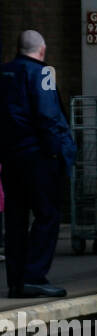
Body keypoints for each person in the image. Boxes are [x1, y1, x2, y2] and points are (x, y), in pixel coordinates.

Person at [0, 30, 74, 299]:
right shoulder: (44, 73)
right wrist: (57, 152)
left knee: (16, 219)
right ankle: (34, 276)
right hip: (39, 158)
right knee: (47, 215)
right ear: (41, 50)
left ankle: (16, 282)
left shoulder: (4, 73)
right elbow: (47, 116)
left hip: (10, 159)